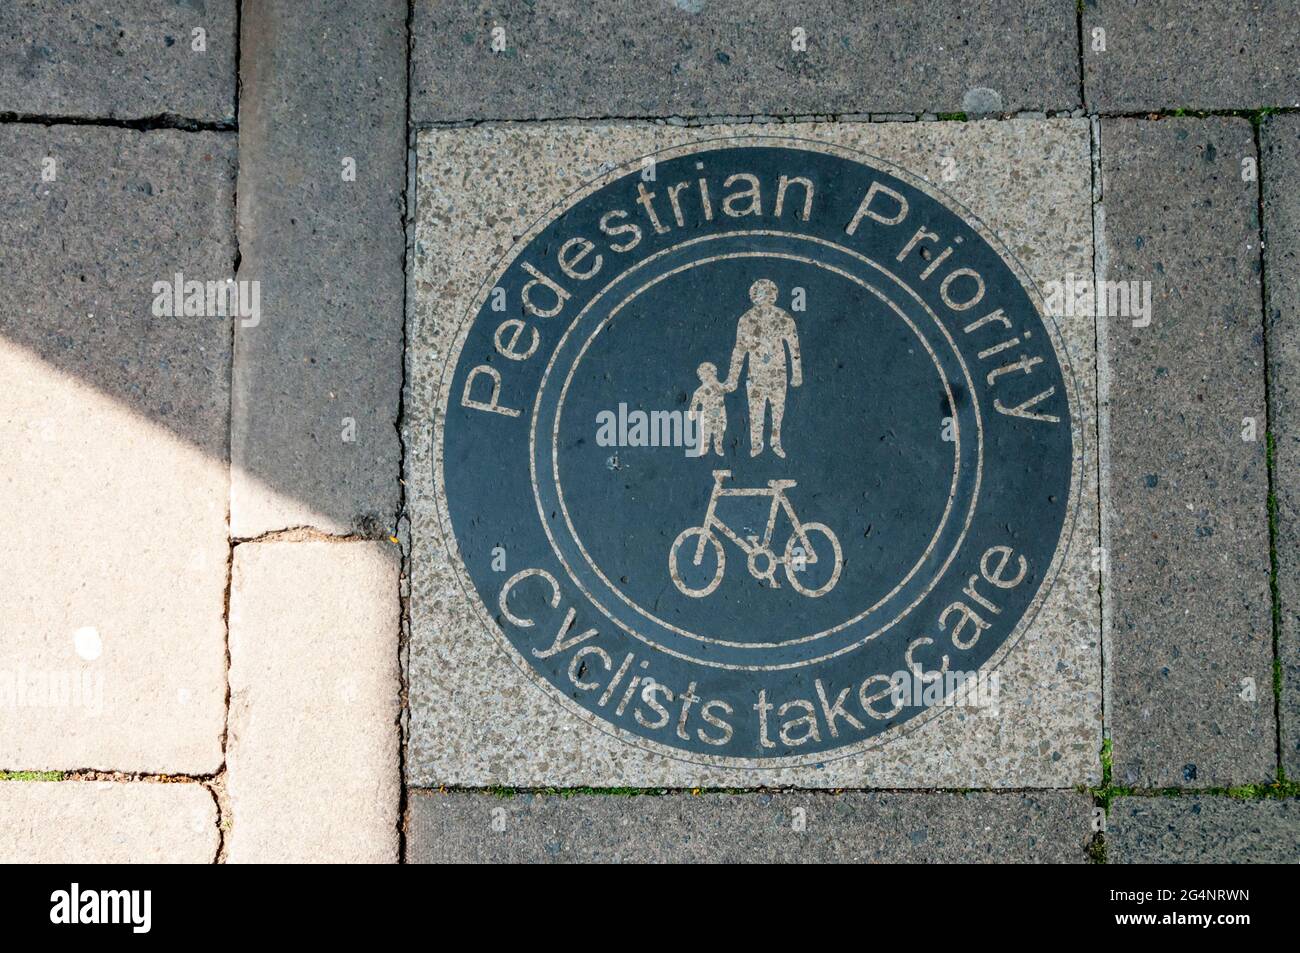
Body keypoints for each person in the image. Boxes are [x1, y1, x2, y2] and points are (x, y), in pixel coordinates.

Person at [723, 278, 802, 457]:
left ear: (774, 296)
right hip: (755, 374)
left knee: (778, 409)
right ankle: (756, 445)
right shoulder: (746, 319)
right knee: (756, 410)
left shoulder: (783, 317)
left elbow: (794, 347)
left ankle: (775, 442)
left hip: (778, 373)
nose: (765, 298)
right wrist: (733, 377)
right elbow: (739, 349)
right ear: (754, 297)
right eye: (761, 294)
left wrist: (797, 374)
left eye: (769, 294)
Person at [688, 361, 728, 456]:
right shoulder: (699, 392)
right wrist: (692, 413)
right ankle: (705, 448)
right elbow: (694, 404)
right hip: (707, 417)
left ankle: (718, 446)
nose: (713, 378)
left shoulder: (720, 387)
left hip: (719, 415)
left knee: (719, 433)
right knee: (706, 433)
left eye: (713, 375)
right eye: (708, 376)